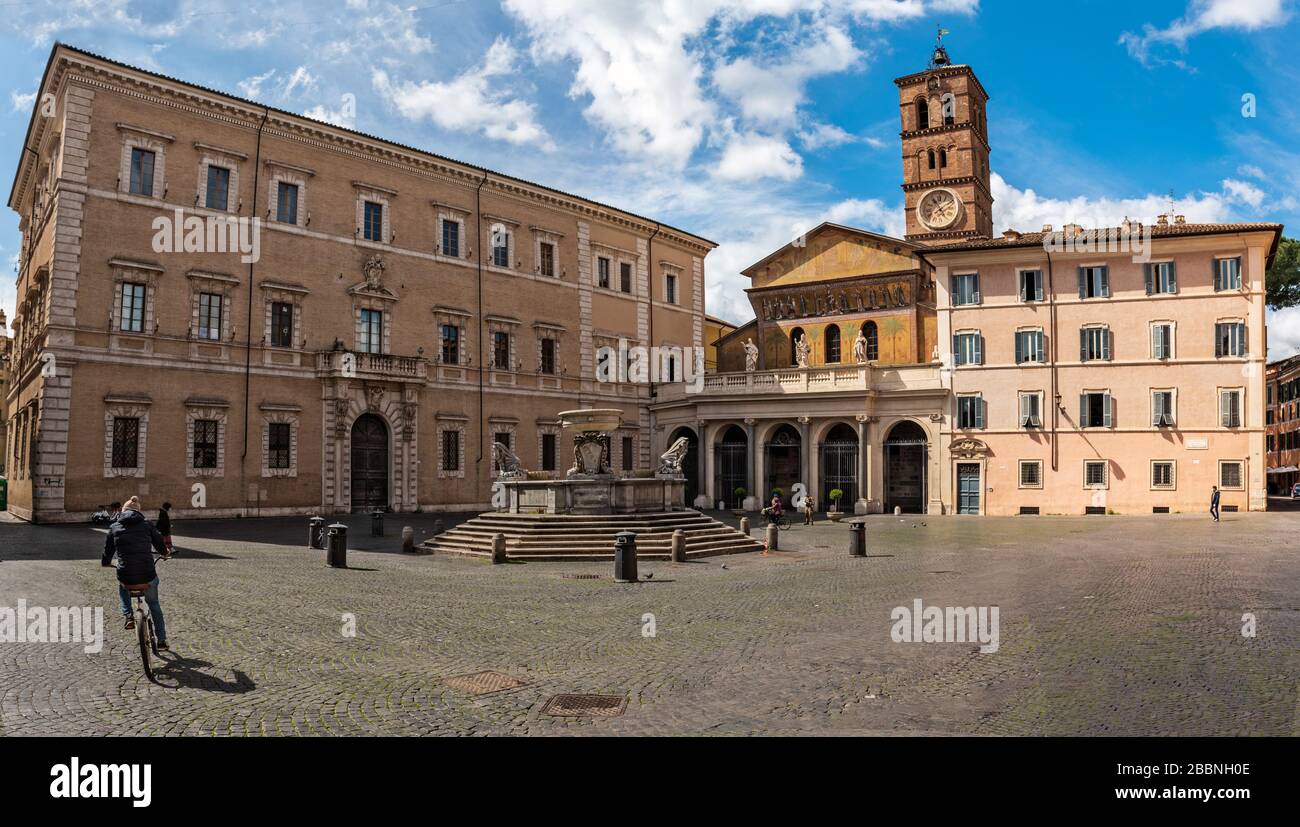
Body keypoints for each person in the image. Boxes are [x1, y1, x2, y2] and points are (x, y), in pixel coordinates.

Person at [101, 496, 171, 649]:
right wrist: (165, 553)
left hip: (126, 574)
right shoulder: (147, 525)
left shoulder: (114, 527)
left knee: (123, 583)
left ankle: (128, 616)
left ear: (123, 511)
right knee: (154, 603)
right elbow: (160, 544)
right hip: (147, 574)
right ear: (139, 511)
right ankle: (162, 640)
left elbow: (107, 551)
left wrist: (106, 563)